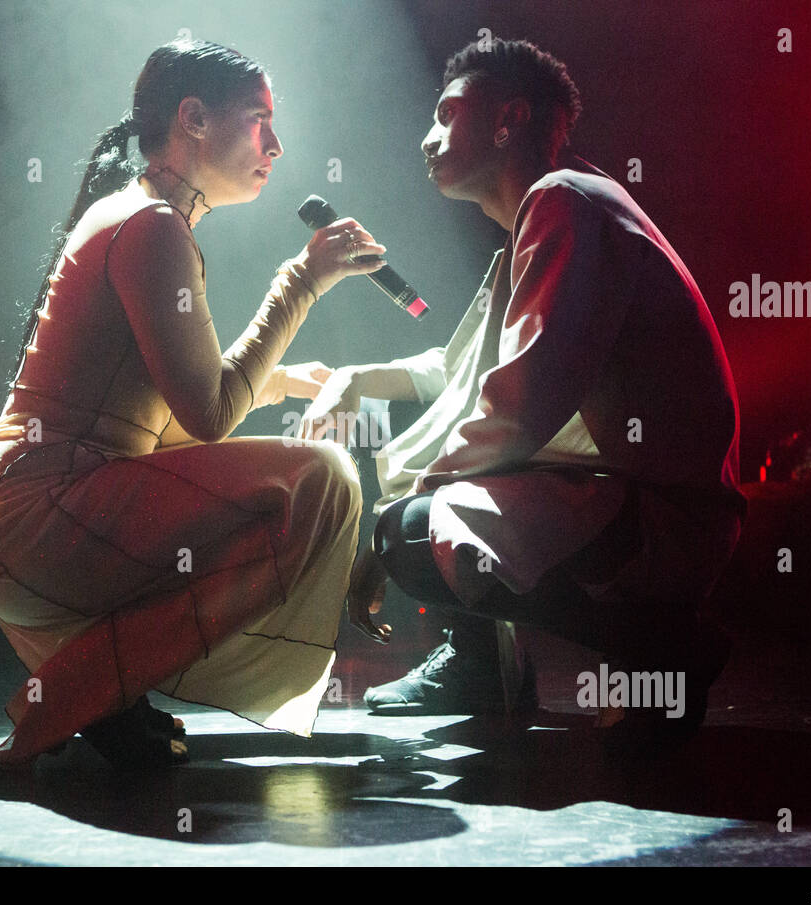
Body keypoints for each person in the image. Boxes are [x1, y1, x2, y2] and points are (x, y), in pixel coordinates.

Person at [0, 39, 388, 768]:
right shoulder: (151, 225)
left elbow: (157, 414)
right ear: (192, 118)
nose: (276, 146)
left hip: (20, 527)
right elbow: (209, 414)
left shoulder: (144, 217)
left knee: (290, 485)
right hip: (38, 521)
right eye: (259, 120)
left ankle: (104, 694)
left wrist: (281, 380)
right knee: (321, 479)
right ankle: (72, 697)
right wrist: (303, 283)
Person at [302, 38, 747, 745]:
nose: (427, 137)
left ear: (508, 119)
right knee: (436, 495)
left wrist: (392, 517)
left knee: (412, 531)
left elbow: (519, 402)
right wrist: (357, 378)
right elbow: (466, 376)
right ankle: (481, 665)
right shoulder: (551, 211)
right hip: (636, 507)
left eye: (448, 115)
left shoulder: (564, 201)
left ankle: (664, 646)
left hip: (662, 523)